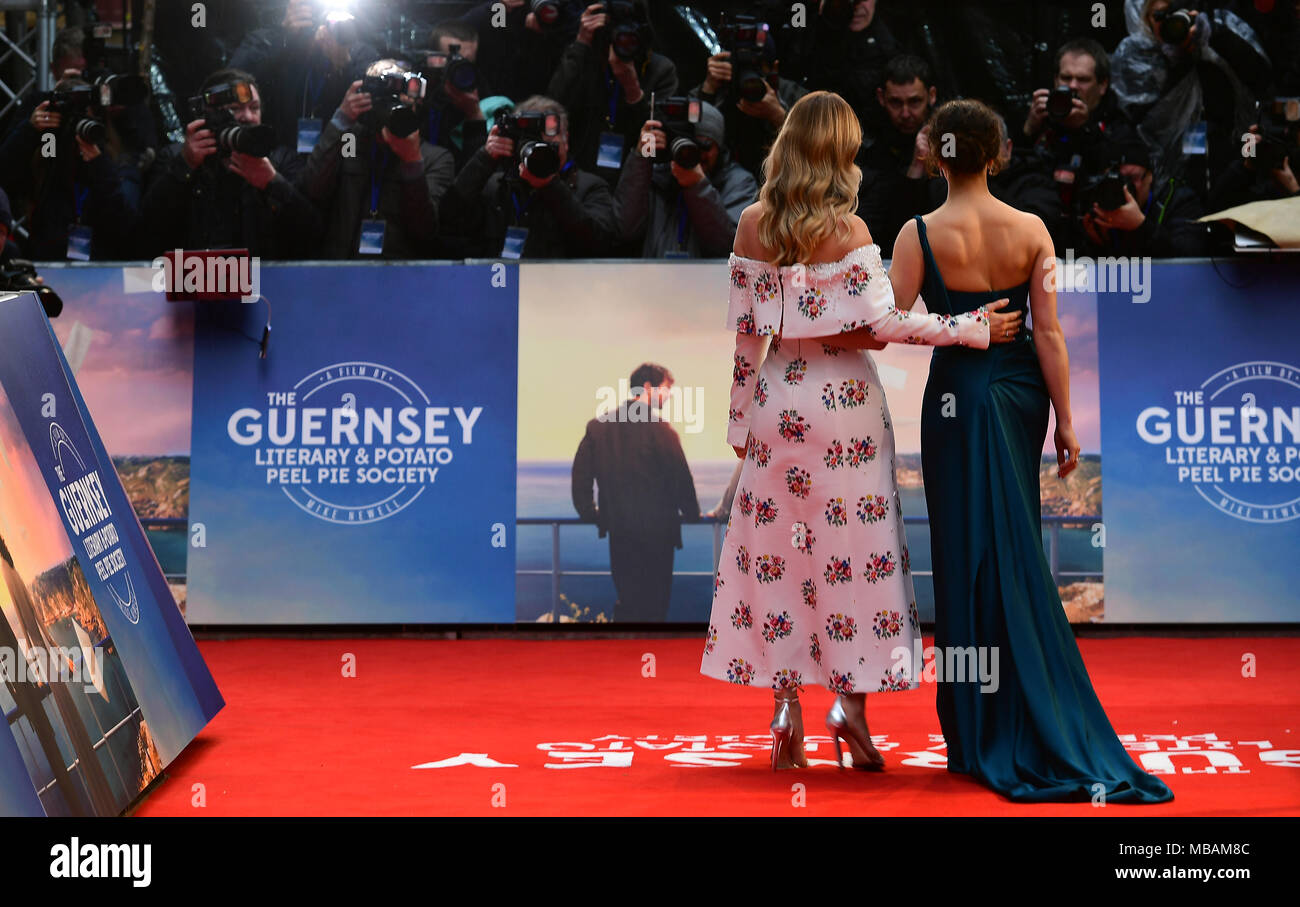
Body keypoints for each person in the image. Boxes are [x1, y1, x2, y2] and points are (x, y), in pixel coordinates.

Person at [699, 91, 1023, 772]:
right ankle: (850, 708)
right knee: (853, 557)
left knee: (780, 558)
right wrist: (968, 328)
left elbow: (745, 338)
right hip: (843, 407)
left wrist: (738, 422)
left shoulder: (752, 225)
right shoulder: (849, 232)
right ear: (839, 153)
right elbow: (885, 326)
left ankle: (785, 705)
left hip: (777, 400)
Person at [888, 98, 1173, 803]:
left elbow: (889, 324)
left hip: (955, 399)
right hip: (1018, 398)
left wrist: (958, 324)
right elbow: (1048, 334)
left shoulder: (916, 233)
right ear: (998, 154)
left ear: (936, 154)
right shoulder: (1035, 229)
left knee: (964, 554)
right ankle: (1026, 714)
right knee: (1010, 544)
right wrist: (1069, 422)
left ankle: (977, 730)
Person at [138, 68, 319, 259]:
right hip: (194, 281)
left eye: (254, 108)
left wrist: (272, 183)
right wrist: (184, 165)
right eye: (236, 108)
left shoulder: (281, 160)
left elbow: (312, 232)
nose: (248, 116)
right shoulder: (176, 157)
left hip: (261, 282)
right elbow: (146, 231)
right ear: (208, 114)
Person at [571, 363, 701, 622]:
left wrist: (591, 514)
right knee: (655, 607)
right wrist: (693, 514)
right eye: (666, 389)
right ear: (649, 388)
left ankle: (624, 656)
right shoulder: (661, 430)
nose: (670, 395)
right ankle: (650, 656)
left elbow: (581, 479)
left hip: (619, 532)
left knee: (628, 601)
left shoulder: (598, 427)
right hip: (659, 535)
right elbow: (681, 479)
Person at [299, 61, 455, 259]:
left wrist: (412, 162)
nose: (390, 106)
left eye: (400, 97)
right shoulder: (351, 143)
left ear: (417, 102)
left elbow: (424, 231)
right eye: (382, 97)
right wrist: (340, 121)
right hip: (339, 272)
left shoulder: (435, 158)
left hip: (398, 277)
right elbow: (312, 189)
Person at [440, 95, 617, 259]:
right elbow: (448, 218)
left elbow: (600, 243)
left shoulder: (590, 187)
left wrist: (550, 185)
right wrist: (484, 158)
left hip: (563, 288)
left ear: (566, 140)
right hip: (500, 283)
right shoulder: (496, 186)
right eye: (530, 136)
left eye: (549, 132)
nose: (540, 142)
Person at [614, 100, 757, 258]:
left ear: (720, 148)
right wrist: (641, 158)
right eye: (689, 146)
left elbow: (727, 246)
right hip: (654, 277)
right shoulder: (654, 176)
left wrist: (697, 186)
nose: (696, 154)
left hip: (713, 280)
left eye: (705, 146)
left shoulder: (739, 182)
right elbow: (626, 229)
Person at [856, 55, 943, 258]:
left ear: (931, 95)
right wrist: (915, 170)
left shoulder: (949, 135)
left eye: (914, 102)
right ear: (881, 97)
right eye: (896, 103)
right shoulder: (869, 144)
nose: (905, 113)